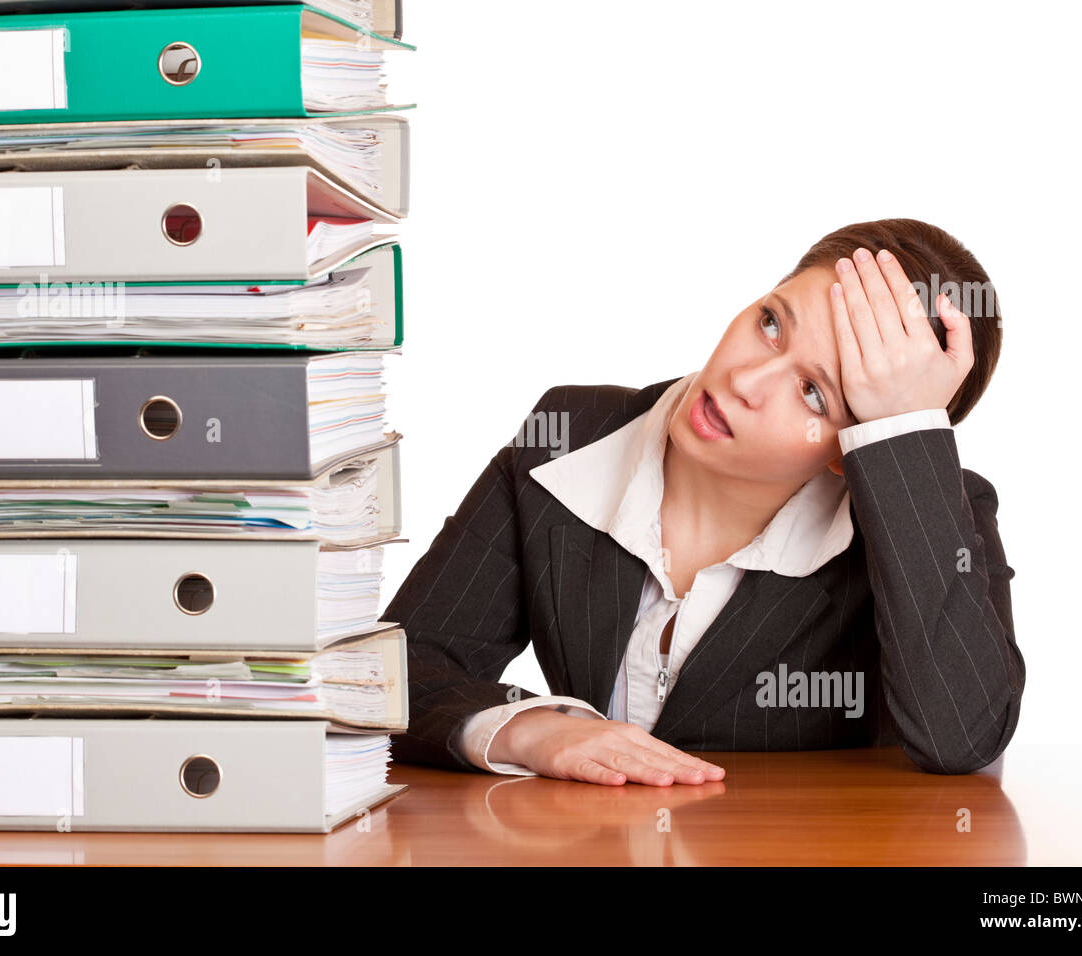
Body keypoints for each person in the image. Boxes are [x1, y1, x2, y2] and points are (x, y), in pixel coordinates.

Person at [383, 218, 1022, 786]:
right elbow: (394, 669)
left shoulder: (938, 514)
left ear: (849, 449)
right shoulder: (567, 437)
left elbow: (961, 739)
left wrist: (901, 442)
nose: (743, 381)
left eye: (812, 394)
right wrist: (528, 729)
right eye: (771, 324)